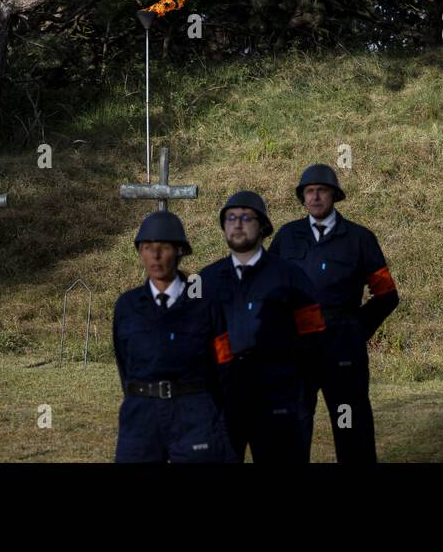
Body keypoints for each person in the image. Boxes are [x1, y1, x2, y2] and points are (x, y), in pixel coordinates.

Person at [274, 164, 399, 463]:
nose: (315, 197)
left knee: (350, 424)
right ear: (302, 198)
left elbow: (387, 294)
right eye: (309, 191)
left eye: (322, 190)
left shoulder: (359, 239)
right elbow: (267, 287)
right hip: (297, 348)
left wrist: (357, 329)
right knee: (292, 426)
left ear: (334, 195)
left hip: (342, 349)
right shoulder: (287, 237)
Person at [200, 190, 326, 463]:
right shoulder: (205, 280)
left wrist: (301, 393)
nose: (237, 224)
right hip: (222, 402)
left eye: (246, 217)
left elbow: (314, 338)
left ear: (263, 226)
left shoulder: (291, 276)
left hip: (277, 399)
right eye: (230, 218)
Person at [112, 211, 237, 463]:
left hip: (194, 412)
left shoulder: (204, 304)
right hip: (141, 414)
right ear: (139, 252)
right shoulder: (127, 306)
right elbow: (124, 364)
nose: (155, 256)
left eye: (164, 247)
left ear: (179, 251)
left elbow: (224, 366)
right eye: (147, 248)